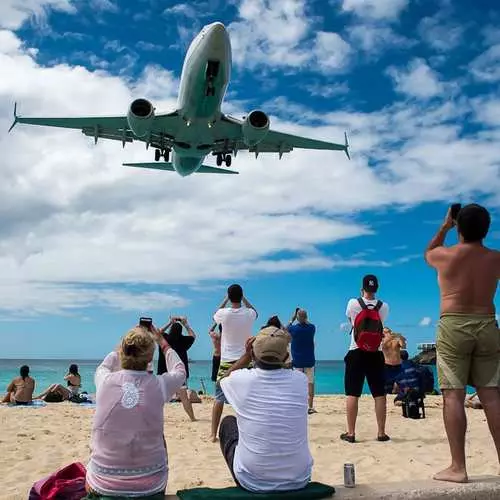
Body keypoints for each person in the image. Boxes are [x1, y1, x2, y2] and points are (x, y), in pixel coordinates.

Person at [424, 203, 500, 483]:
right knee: (492, 395)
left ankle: (458, 467)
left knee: (453, 395)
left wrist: (445, 226)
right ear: (486, 230)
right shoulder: (495, 258)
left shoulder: (446, 256)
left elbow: (428, 252)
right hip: (487, 322)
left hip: (454, 324)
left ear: (459, 228)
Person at [84, 323, 186, 498]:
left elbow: (105, 365)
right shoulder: (159, 384)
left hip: (101, 484)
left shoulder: (104, 380)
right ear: (149, 358)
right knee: (160, 437)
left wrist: (123, 344)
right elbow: (179, 370)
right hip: (151, 485)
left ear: (122, 351)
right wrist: (163, 342)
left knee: (97, 439)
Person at [218, 326, 313, 492]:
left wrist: (246, 357)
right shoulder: (301, 380)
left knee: (228, 423)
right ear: (285, 356)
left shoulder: (242, 380)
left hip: (252, 481)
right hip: (299, 478)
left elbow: (221, 383)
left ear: (254, 353)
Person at [341, 274, 390, 443]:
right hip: (376, 353)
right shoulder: (384, 307)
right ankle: (381, 433)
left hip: (356, 351)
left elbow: (351, 320)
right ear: (376, 289)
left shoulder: (353, 303)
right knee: (379, 393)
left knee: (352, 393)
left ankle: (351, 433)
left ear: (362, 289)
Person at [209, 284, 258, 442]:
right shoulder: (248, 313)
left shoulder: (224, 314)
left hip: (226, 360)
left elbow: (214, 314)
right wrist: (244, 298)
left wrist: (225, 300)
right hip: (245, 360)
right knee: (247, 398)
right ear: (242, 296)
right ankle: (249, 433)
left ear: (229, 297)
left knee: (219, 398)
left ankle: (213, 434)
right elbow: (255, 312)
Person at [158, 316, 197, 422]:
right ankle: (192, 418)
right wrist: (186, 324)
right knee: (184, 397)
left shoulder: (164, 338)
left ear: (171, 329)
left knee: (158, 397)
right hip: (178, 374)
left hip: (163, 372)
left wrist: (169, 322)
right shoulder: (183, 340)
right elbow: (193, 335)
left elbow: (158, 332)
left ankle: (156, 417)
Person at [287, 308, 317, 414]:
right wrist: (304, 318)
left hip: (297, 361)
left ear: (298, 318)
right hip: (309, 360)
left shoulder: (293, 329)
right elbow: (308, 323)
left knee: (297, 384)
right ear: (307, 317)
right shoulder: (312, 328)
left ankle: (297, 405)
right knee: (310, 383)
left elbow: (287, 327)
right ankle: (310, 406)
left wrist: (293, 318)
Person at [382, 328, 407, 394]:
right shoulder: (382, 340)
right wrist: (390, 338)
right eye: (386, 332)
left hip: (398, 365)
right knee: (386, 387)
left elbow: (404, 346)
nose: (388, 334)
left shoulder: (396, 340)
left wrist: (400, 337)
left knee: (400, 385)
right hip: (386, 365)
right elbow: (383, 346)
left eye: (389, 332)